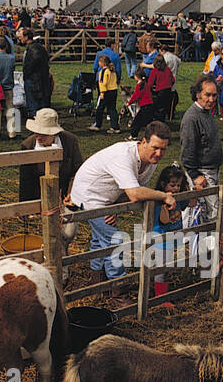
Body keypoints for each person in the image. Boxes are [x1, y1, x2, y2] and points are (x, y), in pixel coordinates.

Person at [68, 120, 176, 298]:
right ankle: (119, 291)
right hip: (90, 195)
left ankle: (97, 282)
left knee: (100, 239)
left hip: (108, 196)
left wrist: (115, 208)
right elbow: (135, 193)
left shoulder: (150, 161)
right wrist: (164, 195)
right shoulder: (123, 156)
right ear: (143, 142)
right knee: (114, 241)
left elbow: (136, 189)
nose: (159, 153)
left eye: (163, 149)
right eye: (155, 147)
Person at [17, 107, 83, 208]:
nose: (38, 137)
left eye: (43, 134)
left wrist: (72, 194)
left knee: (69, 223)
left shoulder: (70, 141)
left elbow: (77, 171)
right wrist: (24, 205)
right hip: (39, 199)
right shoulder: (27, 145)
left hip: (65, 197)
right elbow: (26, 179)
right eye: (36, 133)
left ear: (54, 133)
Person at [180, 74, 222, 224]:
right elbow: (187, 151)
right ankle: (195, 244)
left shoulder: (206, 113)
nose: (211, 99)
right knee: (201, 213)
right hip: (201, 174)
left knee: (210, 213)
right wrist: (194, 175)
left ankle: (205, 245)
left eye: (214, 95)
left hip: (211, 171)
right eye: (207, 95)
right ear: (198, 94)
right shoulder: (192, 118)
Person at [149, 163, 185, 298]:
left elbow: (191, 204)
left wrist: (195, 190)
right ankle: (161, 297)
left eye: (178, 185)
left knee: (166, 265)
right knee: (162, 269)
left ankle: (156, 288)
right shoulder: (160, 202)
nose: (176, 188)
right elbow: (164, 220)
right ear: (163, 184)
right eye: (173, 185)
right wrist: (165, 204)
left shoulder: (178, 197)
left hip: (172, 238)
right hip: (161, 240)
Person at [91, 53, 121, 133]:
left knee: (100, 109)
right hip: (114, 91)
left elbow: (103, 83)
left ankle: (97, 125)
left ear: (102, 63)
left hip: (106, 92)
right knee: (112, 109)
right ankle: (115, 127)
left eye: (99, 62)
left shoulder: (103, 72)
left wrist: (102, 93)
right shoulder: (112, 70)